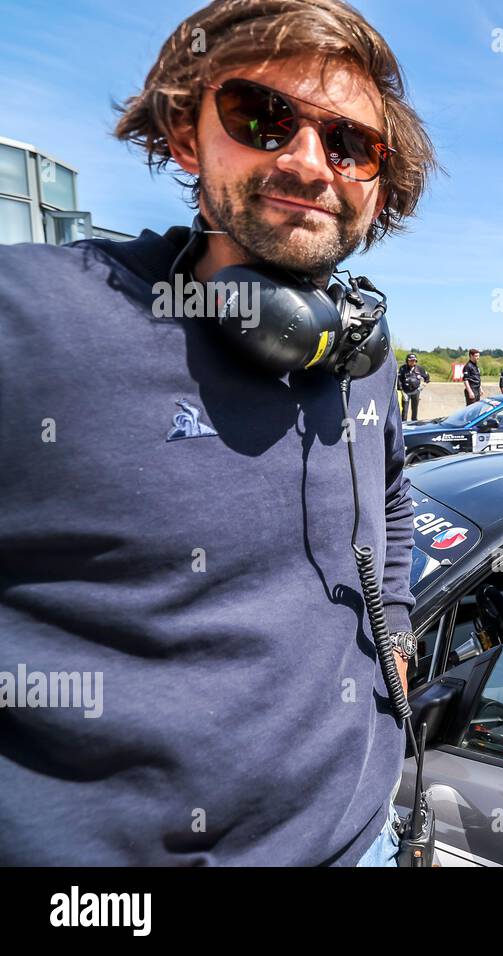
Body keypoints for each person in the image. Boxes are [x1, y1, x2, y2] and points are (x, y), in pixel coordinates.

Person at [0, 0, 436, 866]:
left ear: (378, 186)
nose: (309, 161)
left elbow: (387, 498)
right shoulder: (35, 317)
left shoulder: (359, 358)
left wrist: (395, 623)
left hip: (366, 846)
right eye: (262, 116)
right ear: (186, 134)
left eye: (349, 143)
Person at [398, 351, 430, 421]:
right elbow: (399, 379)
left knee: (415, 409)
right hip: (406, 392)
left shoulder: (420, 368)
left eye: (414, 361)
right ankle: (403, 424)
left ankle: (414, 422)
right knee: (405, 410)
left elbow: (427, 377)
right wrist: (401, 390)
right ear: (407, 361)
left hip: (416, 391)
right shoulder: (402, 368)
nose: (412, 362)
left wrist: (422, 386)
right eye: (411, 361)